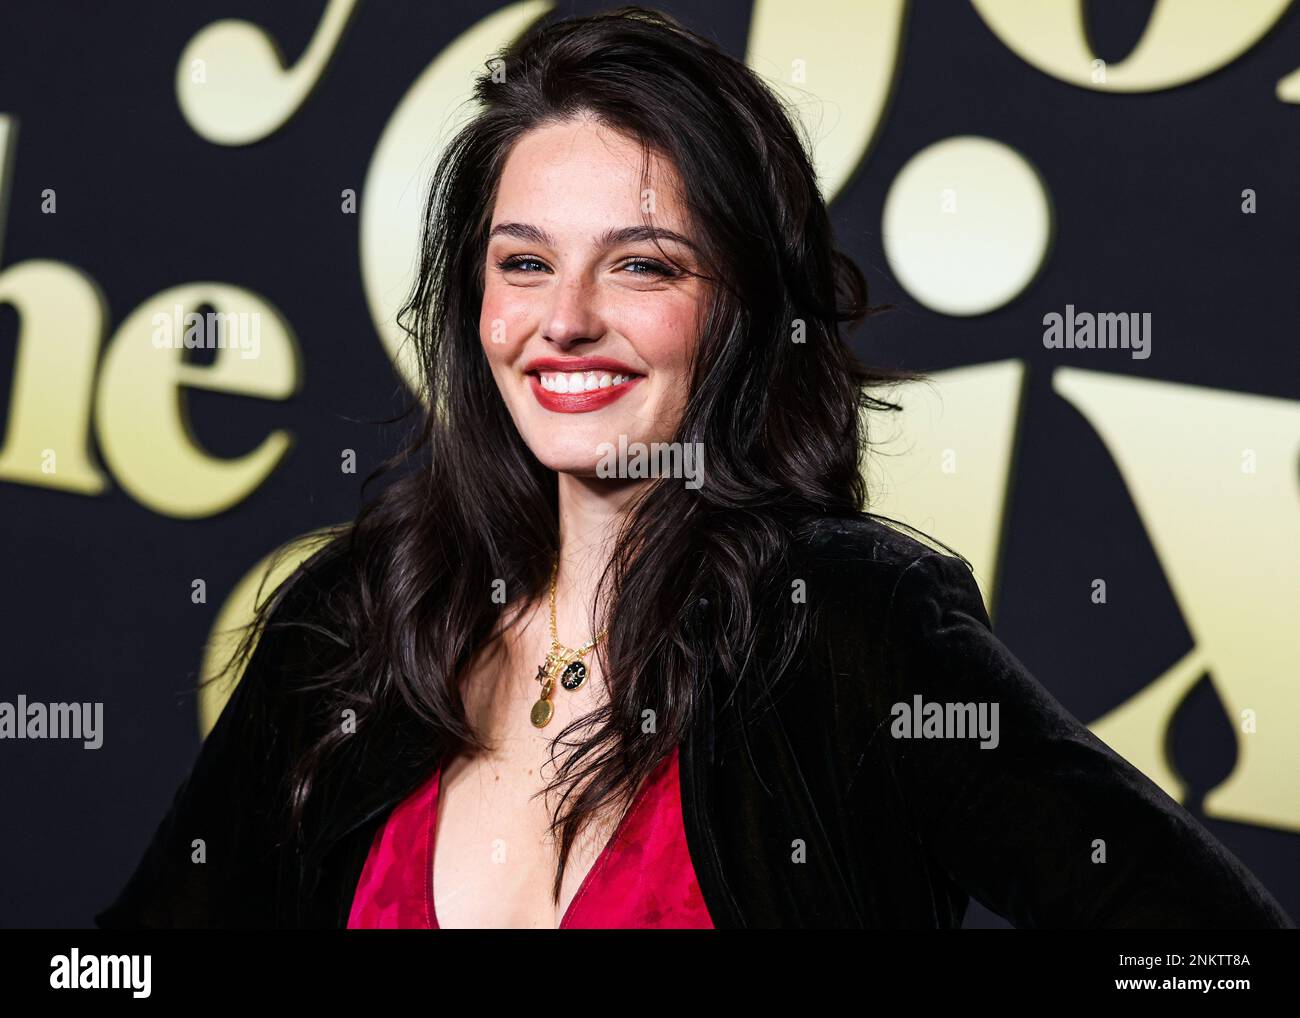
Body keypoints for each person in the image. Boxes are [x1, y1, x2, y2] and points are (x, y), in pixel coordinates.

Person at [95, 6, 1292, 930]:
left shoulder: (848, 631)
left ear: (745, 312)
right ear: (472, 303)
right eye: (522, 263)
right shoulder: (355, 619)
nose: (562, 320)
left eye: (643, 266)